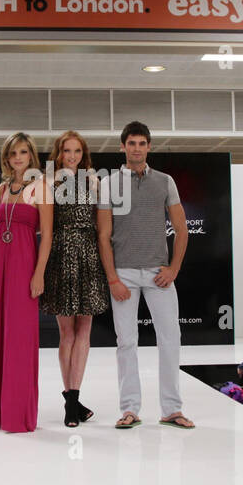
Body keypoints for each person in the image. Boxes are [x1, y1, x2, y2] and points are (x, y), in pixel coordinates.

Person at [97, 121, 191, 430]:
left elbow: (181, 229)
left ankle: (172, 409)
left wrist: (174, 268)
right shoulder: (109, 183)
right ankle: (129, 409)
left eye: (142, 143)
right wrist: (112, 278)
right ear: (122, 147)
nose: (136, 148)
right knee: (126, 342)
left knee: (171, 339)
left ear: (149, 146)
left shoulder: (165, 181)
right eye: (131, 143)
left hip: (158, 273)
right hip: (122, 273)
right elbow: (104, 235)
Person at [0, 131, 53, 434]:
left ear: (31, 156)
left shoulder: (41, 188)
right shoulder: (2, 188)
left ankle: (17, 412)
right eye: (13, 154)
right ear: (7, 158)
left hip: (25, 266)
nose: (18, 158)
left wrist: (39, 274)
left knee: (20, 338)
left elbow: (47, 236)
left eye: (23, 152)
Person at [38, 130, 106, 427]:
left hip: (89, 254)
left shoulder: (94, 181)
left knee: (84, 333)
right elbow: (41, 225)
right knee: (67, 334)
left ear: (84, 154)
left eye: (77, 151)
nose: (73, 156)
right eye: (67, 151)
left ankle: (73, 400)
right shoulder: (48, 181)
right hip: (61, 253)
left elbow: (103, 222)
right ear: (59, 152)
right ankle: (71, 403)